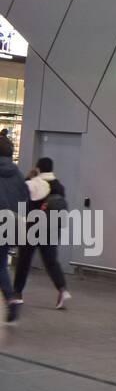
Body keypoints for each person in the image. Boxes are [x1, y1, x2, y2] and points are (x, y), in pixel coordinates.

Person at [12, 157, 71, 309]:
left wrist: (29, 176)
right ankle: (62, 289)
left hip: (33, 226)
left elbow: (20, 189)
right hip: (52, 227)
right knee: (51, 261)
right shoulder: (59, 186)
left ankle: (17, 293)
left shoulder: (36, 183)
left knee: (24, 259)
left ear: (38, 168)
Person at [0, 135, 31, 322]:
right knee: (1, 264)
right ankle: (11, 299)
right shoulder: (18, 174)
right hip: (11, 224)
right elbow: (25, 199)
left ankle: (11, 299)